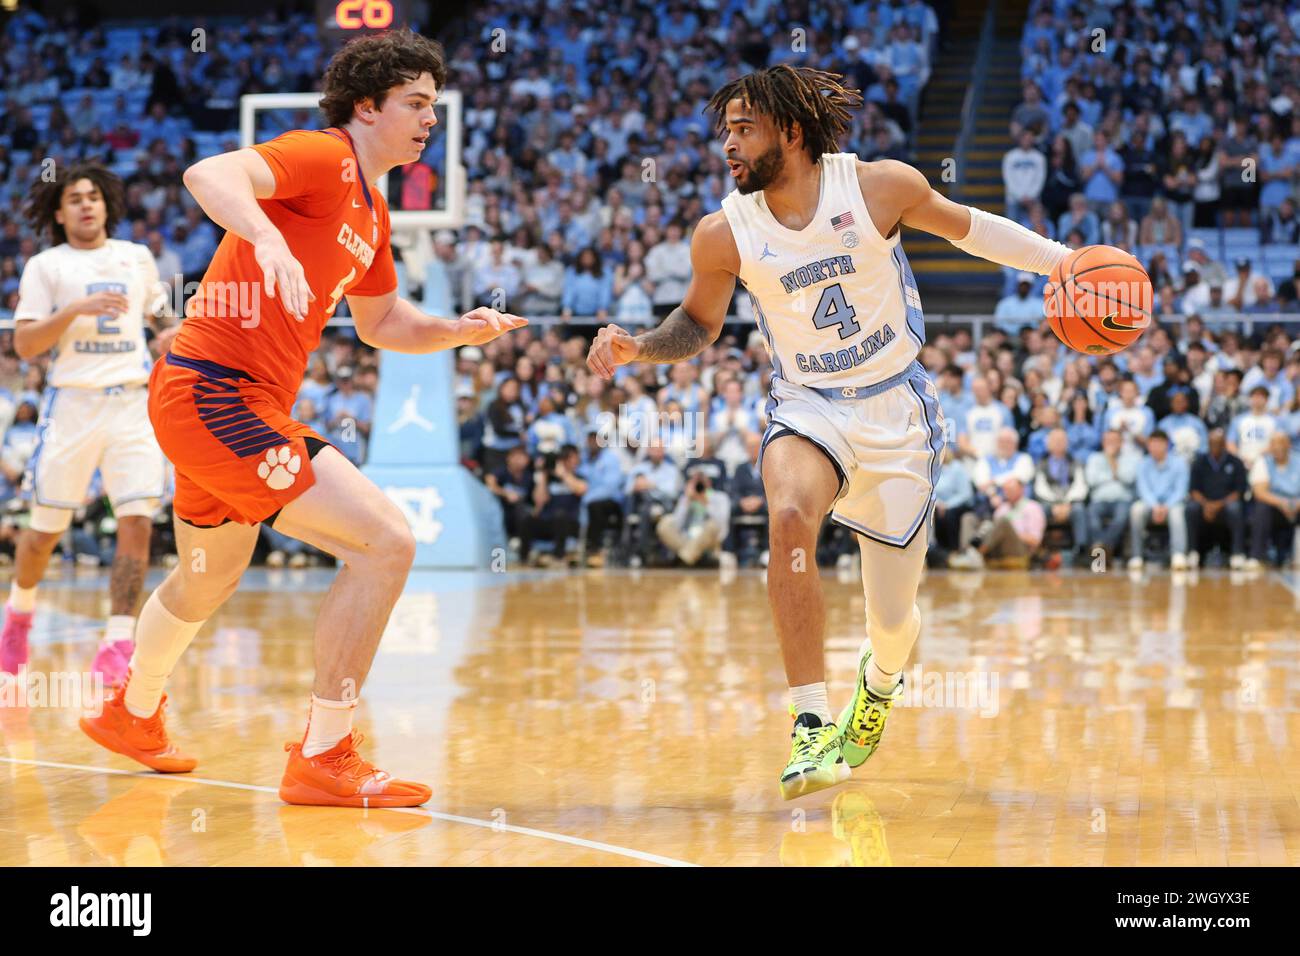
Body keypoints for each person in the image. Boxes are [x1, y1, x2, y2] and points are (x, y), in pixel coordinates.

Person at [585, 65, 1072, 799]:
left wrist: (1066, 266)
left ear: (791, 130)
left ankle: (876, 687)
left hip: (898, 411)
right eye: (725, 131)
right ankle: (810, 726)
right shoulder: (724, 232)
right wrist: (640, 347)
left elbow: (975, 231)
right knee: (787, 516)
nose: (728, 146)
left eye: (742, 129)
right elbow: (698, 323)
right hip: (809, 404)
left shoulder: (880, 187)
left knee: (893, 619)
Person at [78, 31, 526, 807]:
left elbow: (383, 322)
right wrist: (269, 236)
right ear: (367, 106)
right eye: (415, 104)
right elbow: (207, 171)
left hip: (216, 403)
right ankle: (325, 751)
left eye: (433, 106)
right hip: (214, 392)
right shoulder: (324, 157)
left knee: (208, 574)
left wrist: (457, 329)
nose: (429, 120)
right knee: (385, 543)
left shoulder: (374, 214)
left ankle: (131, 709)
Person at [2, 162, 178, 684]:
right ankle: (18, 616)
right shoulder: (46, 266)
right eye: (75, 197)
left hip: (131, 403)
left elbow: (162, 319)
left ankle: (118, 641)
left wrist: (170, 334)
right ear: (59, 212)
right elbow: (25, 345)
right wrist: (77, 308)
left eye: (93, 196)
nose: (85, 204)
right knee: (43, 532)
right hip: (72, 405)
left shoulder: (137, 257)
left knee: (138, 520)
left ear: (107, 205)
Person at [948, 476, 1045, 569]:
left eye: (1012, 489)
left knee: (1003, 522)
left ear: (1021, 489)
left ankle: (975, 554)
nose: (1008, 493)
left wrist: (1011, 532)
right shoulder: (1002, 508)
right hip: (996, 547)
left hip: (1020, 549)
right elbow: (994, 532)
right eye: (1006, 490)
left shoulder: (1033, 508)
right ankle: (967, 552)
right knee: (968, 517)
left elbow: (1035, 540)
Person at [1128, 430, 1190, 570]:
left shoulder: (1179, 463)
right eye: (1152, 444)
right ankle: (1136, 555)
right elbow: (1143, 489)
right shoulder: (1143, 463)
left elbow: (1181, 490)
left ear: (1166, 445)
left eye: (1158, 444)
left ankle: (1178, 555)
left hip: (1172, 504)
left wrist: (1166, 506)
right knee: (1136, 510)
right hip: (1150, 505)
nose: (1155, 448)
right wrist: (1155, 506)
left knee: (1177, 513)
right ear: (1148, 445)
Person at [1186, 428, 1247, 569]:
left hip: (1226, 505)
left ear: (1225, 444)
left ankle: (1237, 553)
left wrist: (1217, 505)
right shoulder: (1199, 462)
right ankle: (1192, 552)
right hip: (1204, 504)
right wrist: (1206, 504)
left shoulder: (1236, 462)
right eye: (1212, 443)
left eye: (1219, 443)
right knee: (1191, 508)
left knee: (1235, 508)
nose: (1215, 446)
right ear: (1207, 444)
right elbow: (1193, 490)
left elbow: (1239, 491)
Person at [656, 459, 731, 566]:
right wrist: (687, 500)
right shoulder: (686, 497)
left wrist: (705, 502)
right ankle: (689, 557)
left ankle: (683, 559)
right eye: (696, 481)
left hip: (709, 541)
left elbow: (722, 526)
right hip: (686, 539)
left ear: (709, 481)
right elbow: (677, 523)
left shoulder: (720, 497)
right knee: (665, 522)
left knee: (712, 526)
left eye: (702, 481)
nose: (699, 485)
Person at [1246, 431, 1300, 570]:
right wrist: (1283, 503)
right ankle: (1256, 557)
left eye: (1281, 443)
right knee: (1261, 508)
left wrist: (1295, 505)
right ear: (1270, 446)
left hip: (1297, 506)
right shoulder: (1263, 462)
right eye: (1274, 444)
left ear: (1289, 445)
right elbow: (1259, 492)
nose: (1278, 447)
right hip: (1276, 507)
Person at [1085, 428, 1139, 561]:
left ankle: (1101, 550)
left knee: (1120, 519)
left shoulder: (1131, 459)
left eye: (1115, 441)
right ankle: (1105, 551)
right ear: (1103, 442)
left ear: (1122, 442)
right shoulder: (1094, 458)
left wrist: (1112, 462)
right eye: (1108, 441)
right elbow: (1092, 480)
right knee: (1093, 519)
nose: (1111, 444)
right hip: (1099, 500)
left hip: (1123, 500)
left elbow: (1129, 478)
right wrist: (1113, 476)